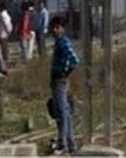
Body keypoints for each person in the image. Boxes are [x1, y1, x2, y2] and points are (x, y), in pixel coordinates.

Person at [50, 15, 79, 155]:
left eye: (57, 28)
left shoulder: (63, 42)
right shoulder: (59, 42)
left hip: (60, 80)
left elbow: (73, 59)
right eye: (53, 28)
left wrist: (65, 73)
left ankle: (63, 143)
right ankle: (70, 143)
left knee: (62, 112)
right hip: (57, 80)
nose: (55, 30)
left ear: (63, 29)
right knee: (65, 112)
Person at [0, 0, 13, 65]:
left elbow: (6, 24)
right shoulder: (4, 14)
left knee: (4, 49)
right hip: (2, 34)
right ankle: (4, 61)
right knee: (4, 49)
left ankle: (5, 62)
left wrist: (8, 31)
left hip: (3, 34)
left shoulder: (3, 15)